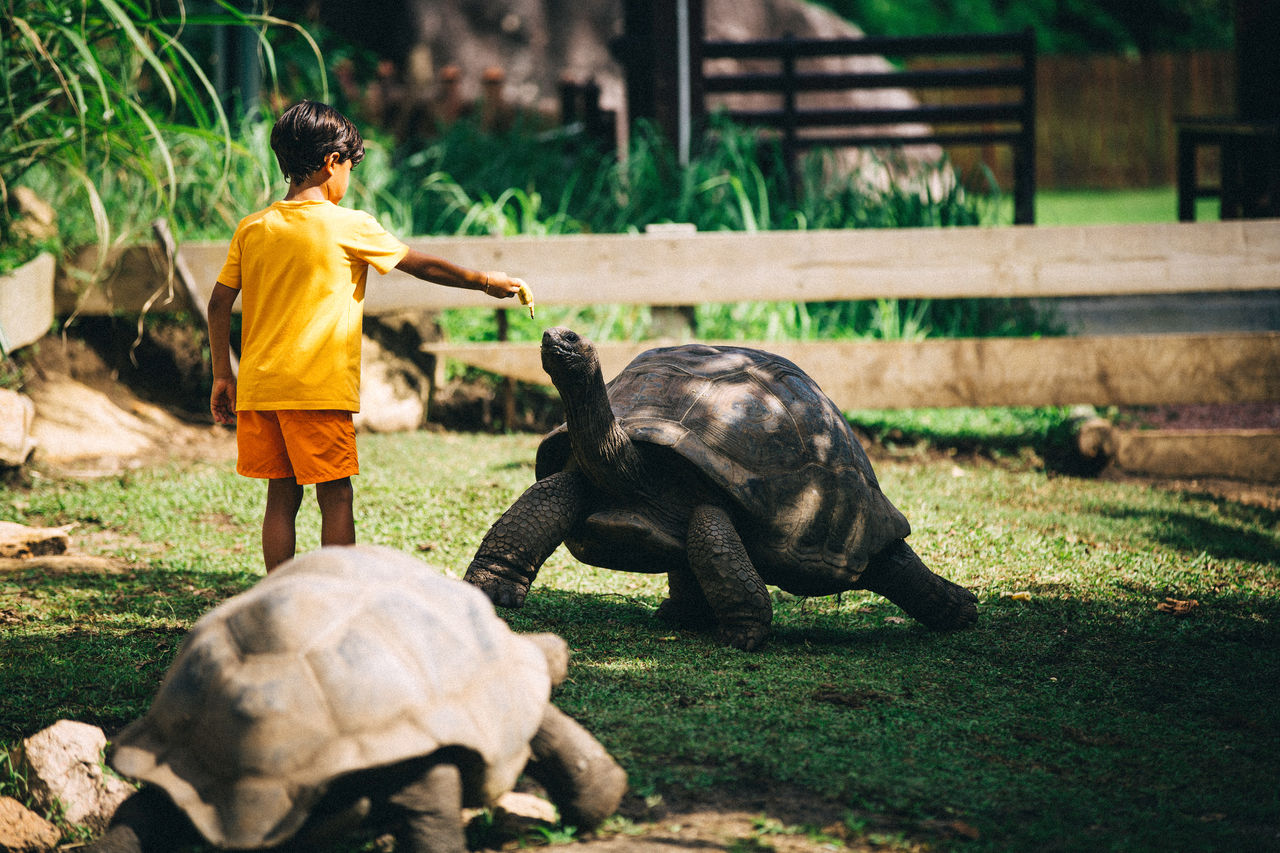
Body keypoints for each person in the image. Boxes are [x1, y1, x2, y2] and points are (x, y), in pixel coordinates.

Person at [208, 99, 527, 572]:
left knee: (281, 493)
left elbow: (218, 305)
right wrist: (483, 280)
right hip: (316, 390)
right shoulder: (350, 226)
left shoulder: (253, 228)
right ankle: (340, 591)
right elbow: (422, 265)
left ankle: (278, 593)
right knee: (335, 494)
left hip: (261, 388)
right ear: (331, 162)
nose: (348, 179)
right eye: (349, 167)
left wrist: (222, 375)